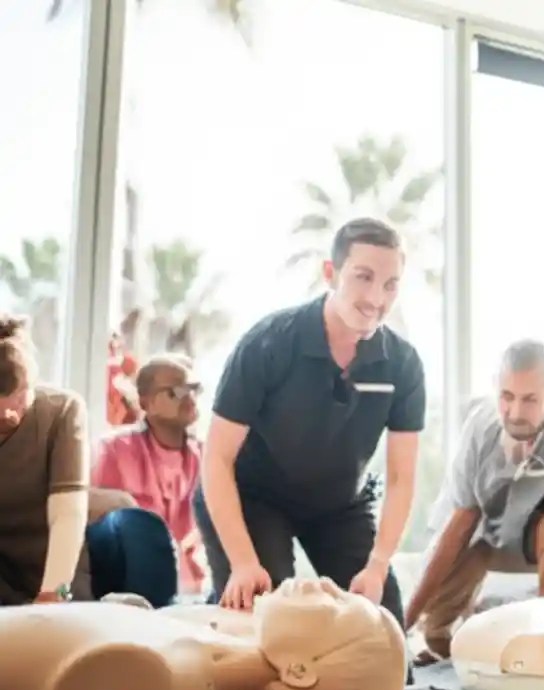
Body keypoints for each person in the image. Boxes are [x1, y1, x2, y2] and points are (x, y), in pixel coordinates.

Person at [193, 218, 424, 627]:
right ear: (330, 274)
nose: (377, 297)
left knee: (385, 638)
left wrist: (378, 564)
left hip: (339, 505)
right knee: (264, 621)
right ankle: (212, 610)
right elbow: (216, 459)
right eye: (363, 277)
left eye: (391, 284)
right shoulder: (269, 342)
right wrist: (244, 563)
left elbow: (403, 477)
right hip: (253, 497)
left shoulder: (403, 364)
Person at [404, 339, 544, 663]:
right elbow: (459, 524)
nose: (516, 413)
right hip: (472, 534)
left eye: (530, 399)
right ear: (495, 390)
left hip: (528, 535)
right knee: (434, 627)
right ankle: (437, 628)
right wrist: (404, 620)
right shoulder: (480, 428)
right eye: (507, 397)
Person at [0, 314, 177, 607]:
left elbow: (67, 513)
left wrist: (51, 597)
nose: (11, 417)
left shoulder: (61, 411)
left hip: (62, 582)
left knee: (137, 527)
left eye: (21, 400)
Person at [94, 354, 206, 594]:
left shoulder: (209, 457)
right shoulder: (115, 449)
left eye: (194, 389)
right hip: (130, 588)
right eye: (176, 391)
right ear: (146, 403)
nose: (190, 398)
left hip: (197, 588)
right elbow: (102, 529)